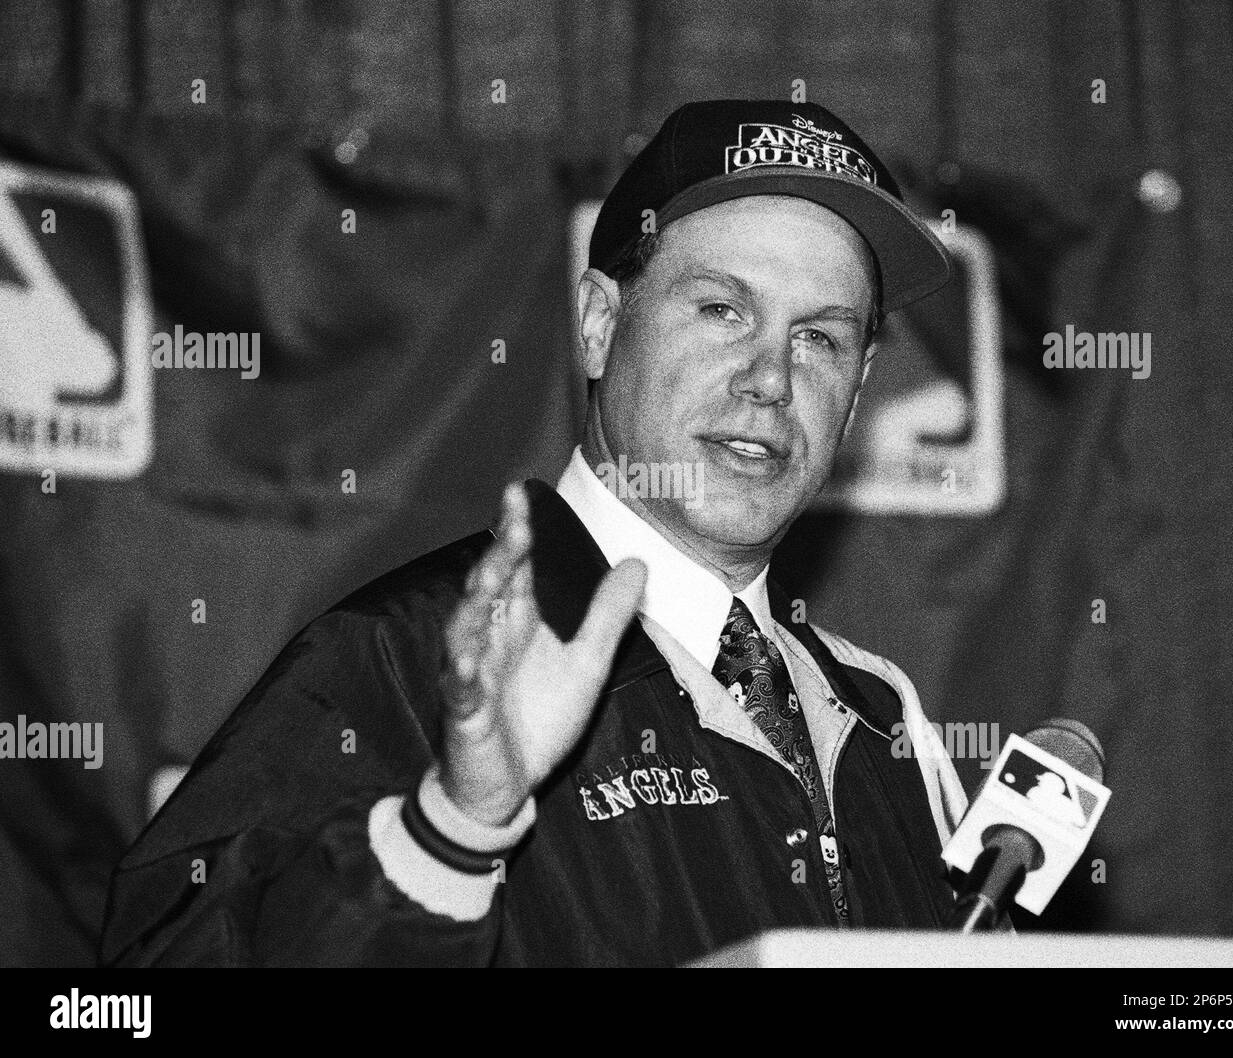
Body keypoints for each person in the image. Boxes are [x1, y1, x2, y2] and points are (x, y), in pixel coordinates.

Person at [100, 99, 967, 967]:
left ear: (857, 394)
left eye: (819, 337)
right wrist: (453, 832)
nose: (771, 380)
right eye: (722, 310)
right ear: (598, 323)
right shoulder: (401, 662)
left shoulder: (880, 713)